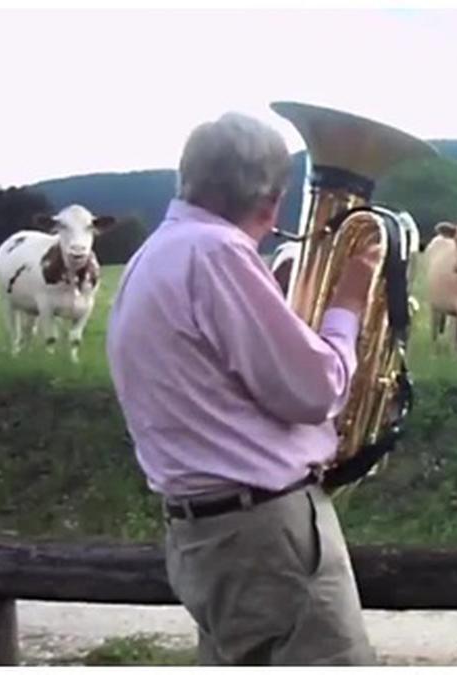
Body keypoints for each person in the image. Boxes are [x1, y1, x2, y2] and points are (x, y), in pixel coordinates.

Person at [106, 112, 379, 665]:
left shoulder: (152, 257)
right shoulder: (216, 254)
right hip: (263, 536)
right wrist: (350, 301)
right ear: (272, 203)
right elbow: (316, 390)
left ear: (186, 179)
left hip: (209, 535)